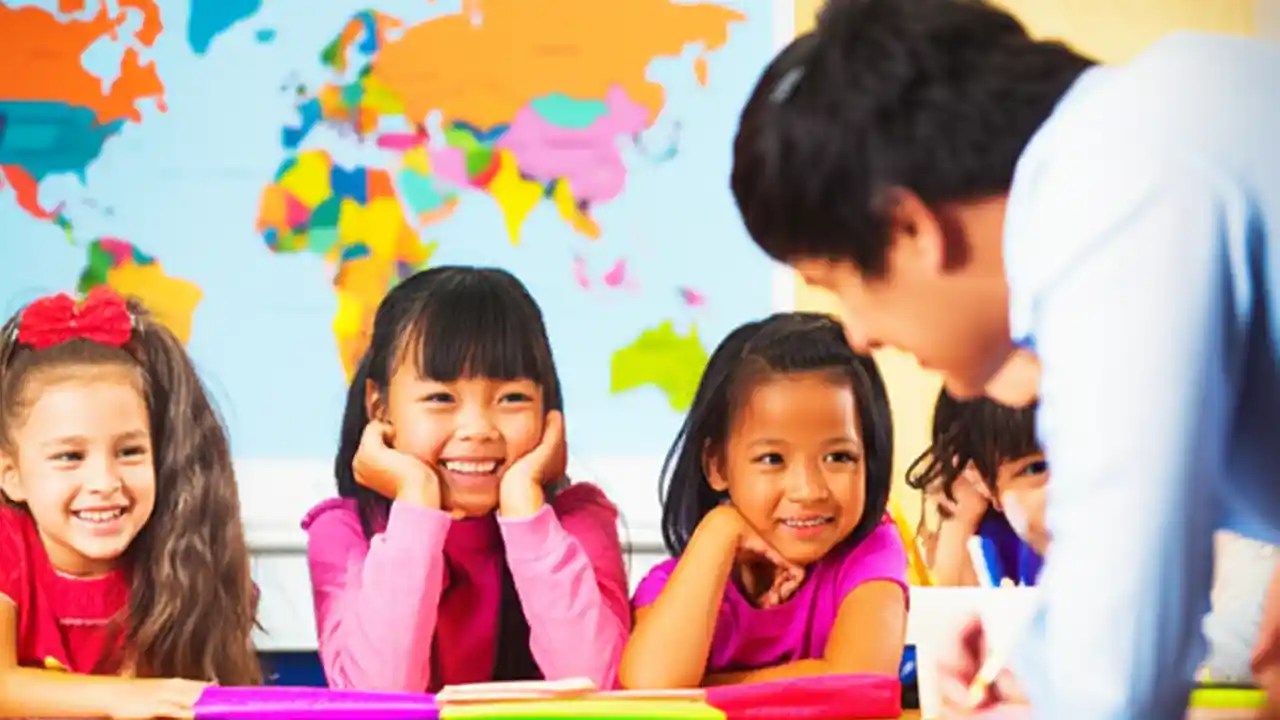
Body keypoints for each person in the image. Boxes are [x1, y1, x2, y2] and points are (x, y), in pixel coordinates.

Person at [729, 0, 1280, 715]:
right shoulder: (1172, 108)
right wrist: (1041, 663)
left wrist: (1059, 678)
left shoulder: (1113, 200)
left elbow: (1115, 682)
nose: (858, 335)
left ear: (908, 229)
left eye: (841, 286)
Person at [303, 266, 630, 691]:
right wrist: (416, 503)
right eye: (441, 398)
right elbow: (378, 702)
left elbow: (602, 693)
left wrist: (524, 510)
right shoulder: (344, 532)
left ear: (547, 410)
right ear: (380, 407)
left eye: (512, 398)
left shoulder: (578, 522)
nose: (477, 429)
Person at [0, 287, 260, 718]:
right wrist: (128, 697)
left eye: (129, 452)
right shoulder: (8, 544)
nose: (104, 482)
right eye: (70, 457)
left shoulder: (179, 558)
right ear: (11, 476)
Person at [619, 312, 906, 688]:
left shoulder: (869, 552)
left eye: (839, 457)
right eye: (773, 459)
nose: (809, 490)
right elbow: (651, 689)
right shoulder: (679, 585)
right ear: (717, 464)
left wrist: (703, 689)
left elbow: (856, 682)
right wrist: (720, 529)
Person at [909, 390, 1047, 586]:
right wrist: (960, 521)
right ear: (978, 479)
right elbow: (955, 603)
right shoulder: (1007, 534)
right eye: (1037, 468)